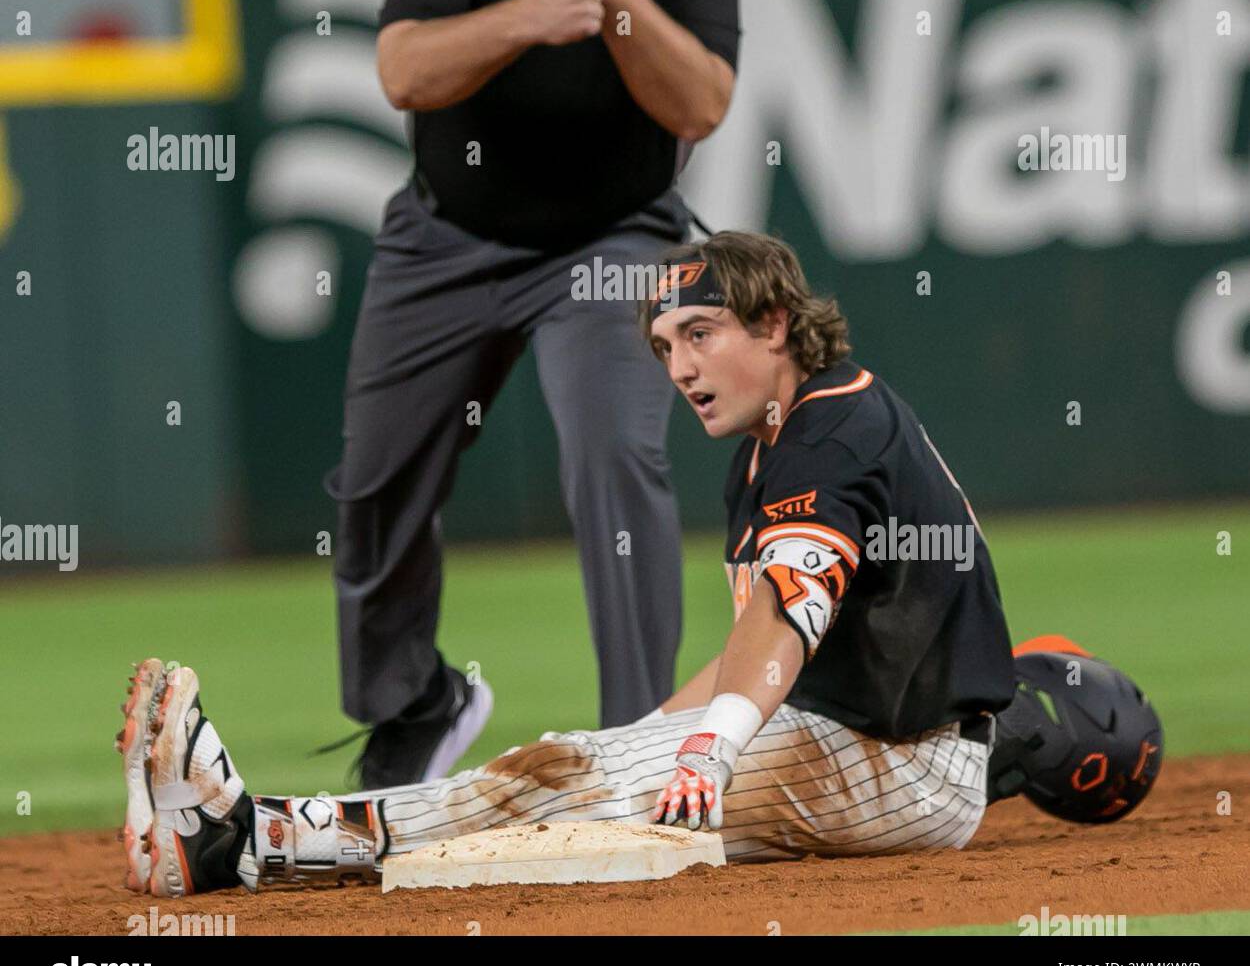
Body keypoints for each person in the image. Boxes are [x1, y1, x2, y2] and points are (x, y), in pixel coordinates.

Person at [118, 231, 1090, 899]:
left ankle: (248, 841)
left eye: (699, 332)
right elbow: (757, 644)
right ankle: (245, 841)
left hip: (901, 767)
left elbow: (785, 610)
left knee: (565, 775)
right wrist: (654, 738)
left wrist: (703, 746)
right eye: (664, 344)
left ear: (776, 323)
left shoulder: (831, 430)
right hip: (869, 755)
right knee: (577, 771)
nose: (678, 365)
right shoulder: (780, 443)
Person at [326, 0, 740, 788]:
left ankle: (641, 749)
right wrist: (530, 13)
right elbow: (403, 70)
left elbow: (698, 104)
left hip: (613, 241)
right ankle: (416, 702)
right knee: (372, 484)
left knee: (614, 451)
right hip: (445, 239)